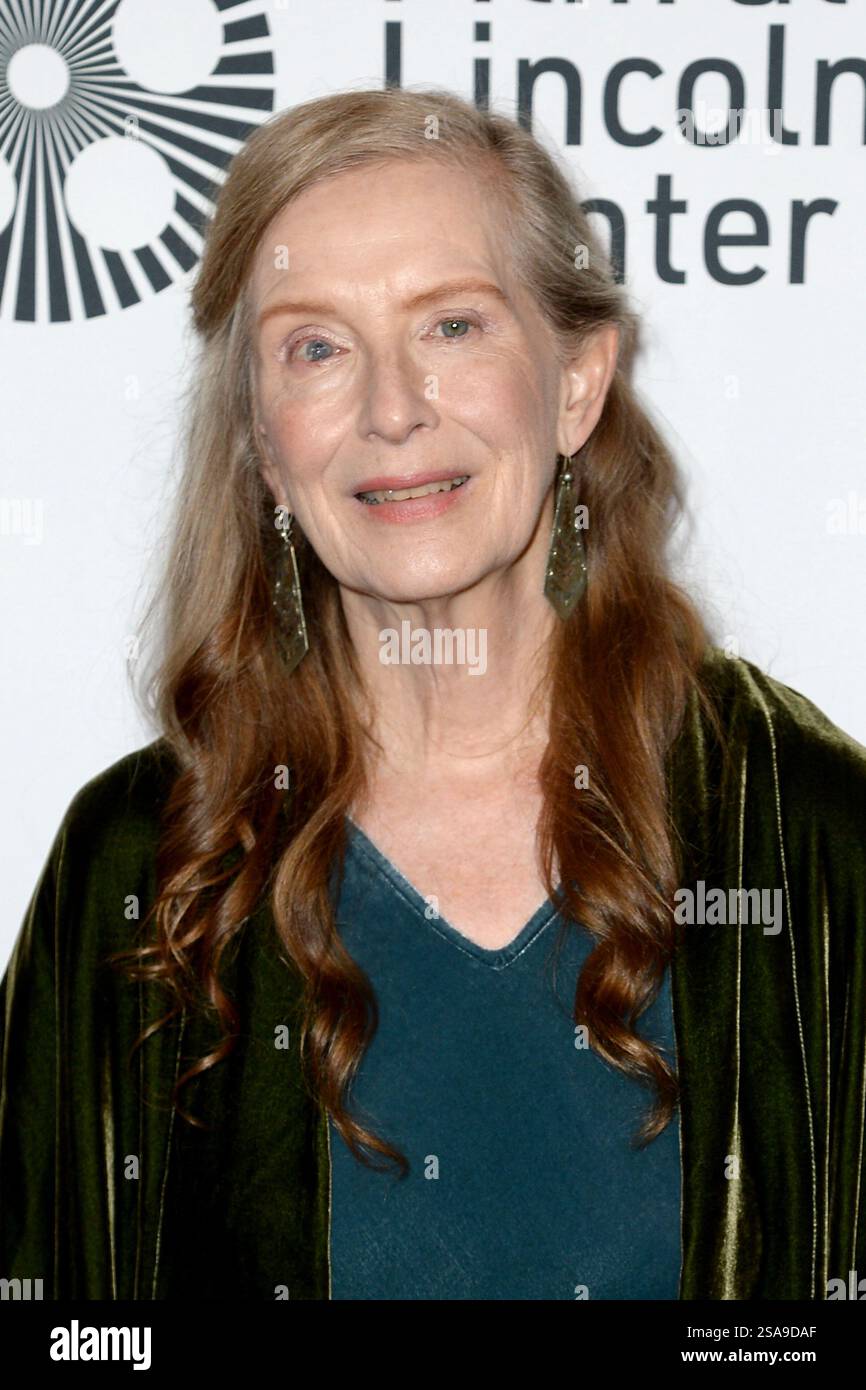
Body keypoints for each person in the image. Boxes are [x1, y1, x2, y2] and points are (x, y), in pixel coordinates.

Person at [2, 85, 865, 1303]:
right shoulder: (143, 863)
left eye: (451, 326)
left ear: (575, 383)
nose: (393, 408)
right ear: (262, 438)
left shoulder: (807, 837)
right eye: (315, 347)